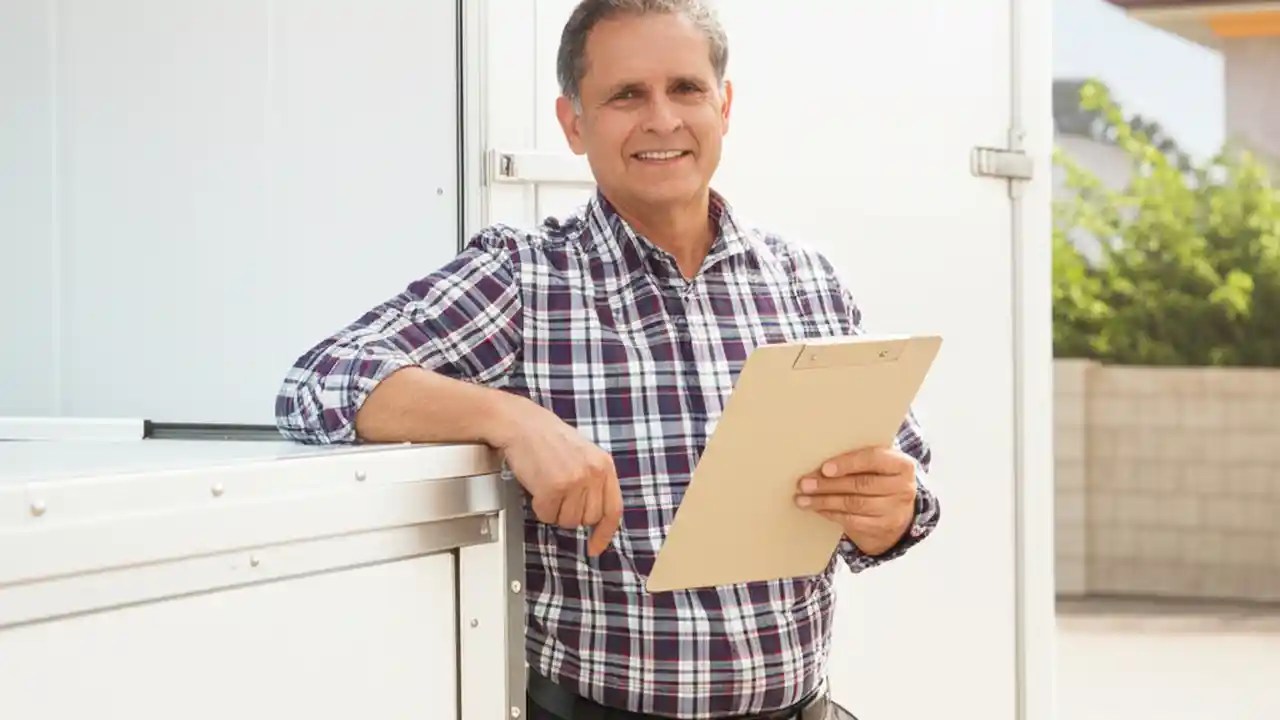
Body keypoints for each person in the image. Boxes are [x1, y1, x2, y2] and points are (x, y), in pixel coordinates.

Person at [275, 1, 940, 718]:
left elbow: (905, 485)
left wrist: (891, 512)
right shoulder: (524, 278)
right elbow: (318, 384)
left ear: (725, 105)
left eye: (685, 89)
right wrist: (511, 418)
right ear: (573, 124)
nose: (662, 119)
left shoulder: (806, 280)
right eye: (626, 95)